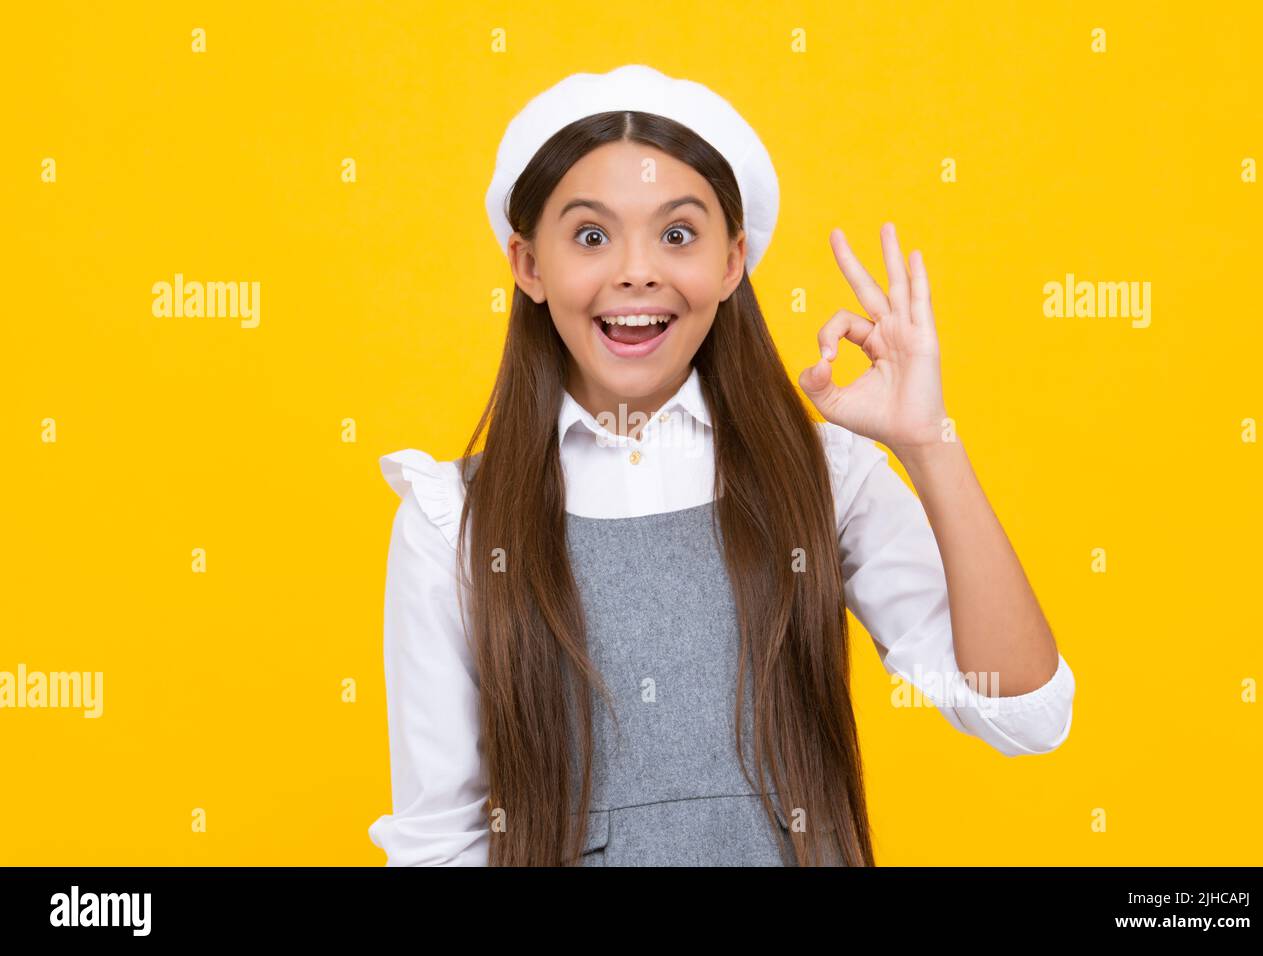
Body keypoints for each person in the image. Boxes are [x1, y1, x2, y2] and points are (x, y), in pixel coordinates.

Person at [370, 64, 1076, 867]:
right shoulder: (451, 518)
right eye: (591, 236)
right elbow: (440, 845)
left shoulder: (825, 477)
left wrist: (928, 443)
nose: (637, 271)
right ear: (528, 265)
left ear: (734, 261)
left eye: (677, 234)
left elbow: (1024, 714)